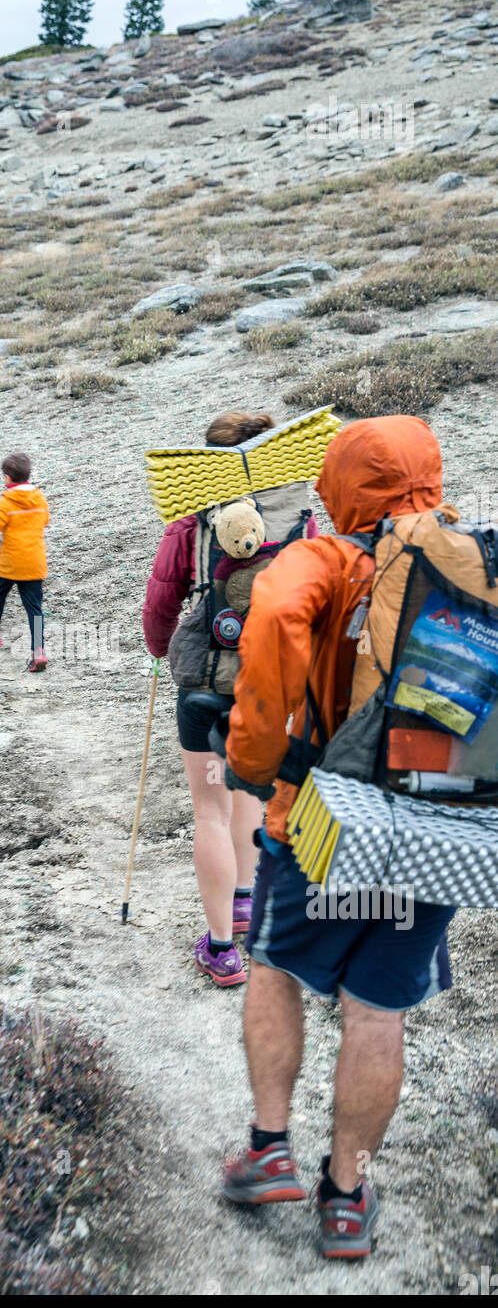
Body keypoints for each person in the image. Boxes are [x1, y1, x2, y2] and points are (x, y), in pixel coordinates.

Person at [221, 414, 456, 1260]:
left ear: (342, 484)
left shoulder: (329, 558)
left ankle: (268, 1150)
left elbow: (276, 609)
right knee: (378, 1013)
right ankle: (347, 1199)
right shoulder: (471, 562)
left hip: (322, 818)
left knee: (275, 967)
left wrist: (254, 757)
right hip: (436, 828)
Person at [143, 412, 319, 987]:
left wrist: (159, 646)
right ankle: (247, 903)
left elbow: (162, 601)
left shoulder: (191, 521)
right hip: (272, 687)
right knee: (250, 794)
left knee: (210, 808)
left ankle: (221, 949)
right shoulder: (299, 517)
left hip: (206, 690)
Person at [0, 453, 50, 673]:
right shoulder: (39, 498)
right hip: (34, 562)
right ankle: (38, 652)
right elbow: (45, 519)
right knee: (34, 609)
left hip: (10, 563)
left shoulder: (5, 502)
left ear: (7, 478)